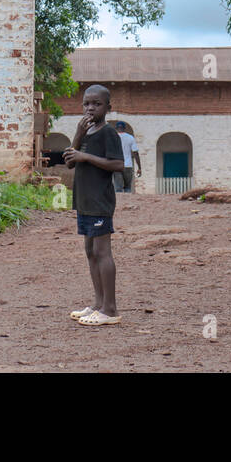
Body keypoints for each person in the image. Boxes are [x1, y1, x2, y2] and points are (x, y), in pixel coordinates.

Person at [64, 85, 127, 326]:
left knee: (102, 252)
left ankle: (110, 309)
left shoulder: (108, 133)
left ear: (108, 108)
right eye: (87, 103)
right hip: (84, 201)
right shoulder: (87, 133)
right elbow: (70, 161)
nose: (90, 108)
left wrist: (86, 157)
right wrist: (78, 136)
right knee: (90, 252)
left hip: (100, 201)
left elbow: (118, 165)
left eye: (97, 104)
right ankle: (98, 304)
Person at [111, 120, 141, 193]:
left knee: (118, 188)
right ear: (124, 128)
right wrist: (139, 167)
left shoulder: (113, 137)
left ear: (116, 128)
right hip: (128, 165)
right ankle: (128, 203)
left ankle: (120, 204)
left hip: (117, 165)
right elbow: (135, 153)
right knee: (128, 187)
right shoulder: (130, 137)